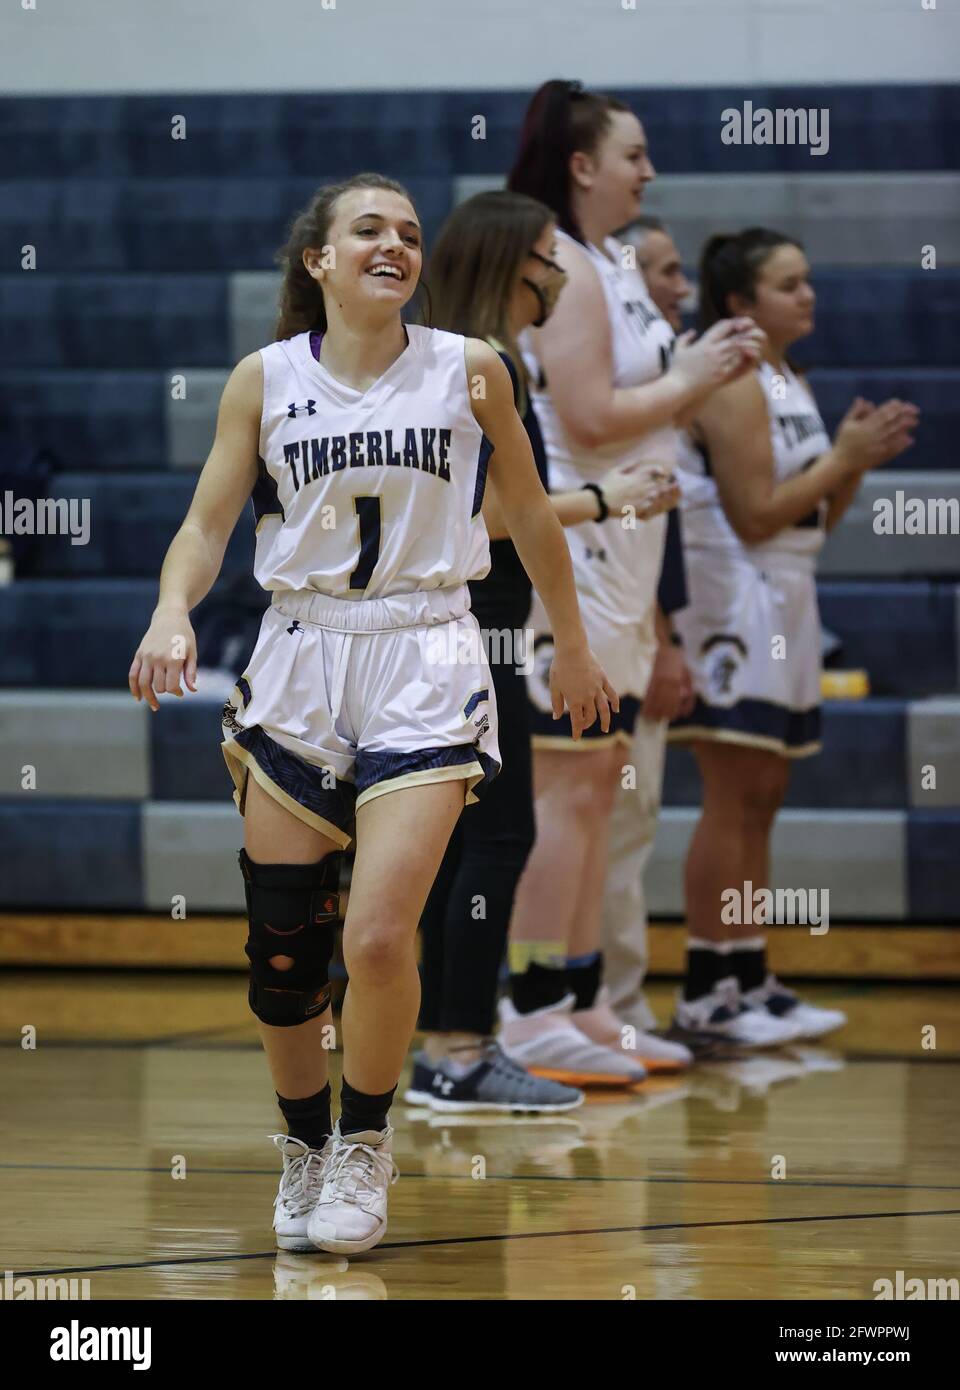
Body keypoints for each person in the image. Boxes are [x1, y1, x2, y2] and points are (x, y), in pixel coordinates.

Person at [127, 172, 617, 1255]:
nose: (394, 244)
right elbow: (207, 525)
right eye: (369, 230)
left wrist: (571, 644)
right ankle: (303, 1148)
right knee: (283, 954)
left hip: (428, 650)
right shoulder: (263, 380)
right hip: (299, 652)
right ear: (320, 260)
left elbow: (529, 516)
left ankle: (364, 1144)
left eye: (408, 233)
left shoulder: (471, 369)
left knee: (381, 931)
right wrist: (172, 610)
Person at [498, 79, 764, 1086]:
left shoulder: (605, 258)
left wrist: (693, 362)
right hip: (582, 544)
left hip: (627, 554)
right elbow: (590, 415)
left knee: (596, 792)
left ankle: (581, 1000)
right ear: (583, 166)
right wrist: (694, 376)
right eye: (634, 155)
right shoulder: (560, 257)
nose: (649, 171)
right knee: (567, 791)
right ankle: (529, 1013)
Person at [409, 190, 678, 1112]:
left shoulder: (454, 359)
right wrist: (609, 502)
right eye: (546, 258)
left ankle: (447, 1042)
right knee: (497, 833)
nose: (562, 276)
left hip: (455, 624)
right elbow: (489, 515)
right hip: (475, 625)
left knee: (456, 844)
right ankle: (463, 1045)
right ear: (507, 264)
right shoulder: (487, 368)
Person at [668, 227, 918, 1043]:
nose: (807, 295)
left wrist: (852, 465)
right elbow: (754, 517)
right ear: (741, 303)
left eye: (808, 281)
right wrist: (839, 457)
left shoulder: (789, 377)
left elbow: (813, 516)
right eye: (788, 284)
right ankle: (707, 988)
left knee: (766, 796)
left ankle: (752, 976)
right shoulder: (735, 378)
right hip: (733, 599)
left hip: (789, 586)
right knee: (733, 790)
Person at [596, 213, 705, 1047]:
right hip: (600, 625)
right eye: (662, 270)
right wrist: (665, 640)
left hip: (640, 621)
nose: (679, 287)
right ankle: (588, 1006)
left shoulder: (670, 372)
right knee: (599, 822)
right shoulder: (616, 379)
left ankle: (617, 1007)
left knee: (631, 820)